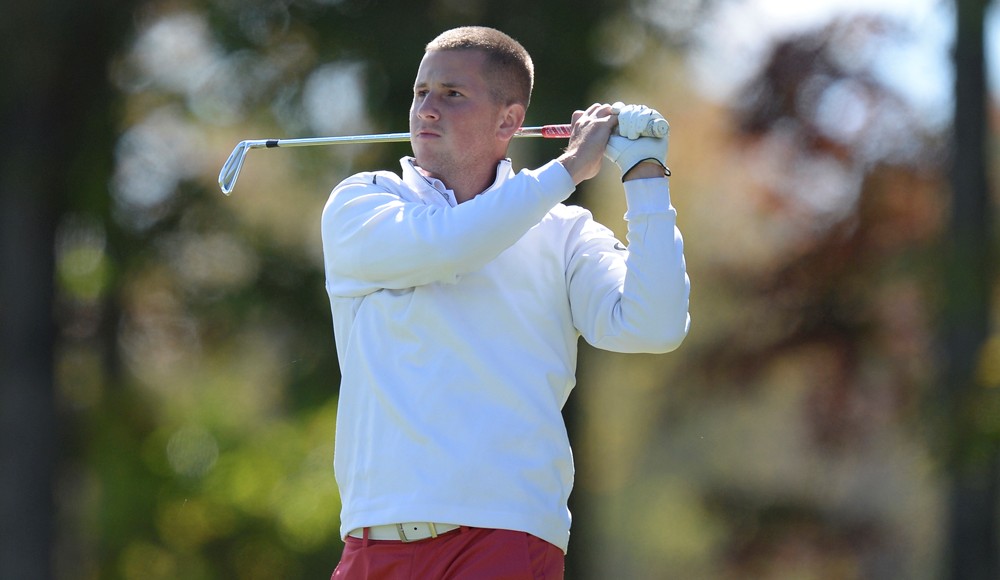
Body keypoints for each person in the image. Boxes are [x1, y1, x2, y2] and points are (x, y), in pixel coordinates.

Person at [321, 25, 690, 579]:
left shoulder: (564, 232)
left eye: (453, 94)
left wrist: (645, 177)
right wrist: (568, 169)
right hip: (376, 541)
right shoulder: (364, 203)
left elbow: (653, 325)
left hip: (505, 537)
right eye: (421, 92)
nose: (426, 109)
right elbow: (452, 244)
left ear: (509, 121)